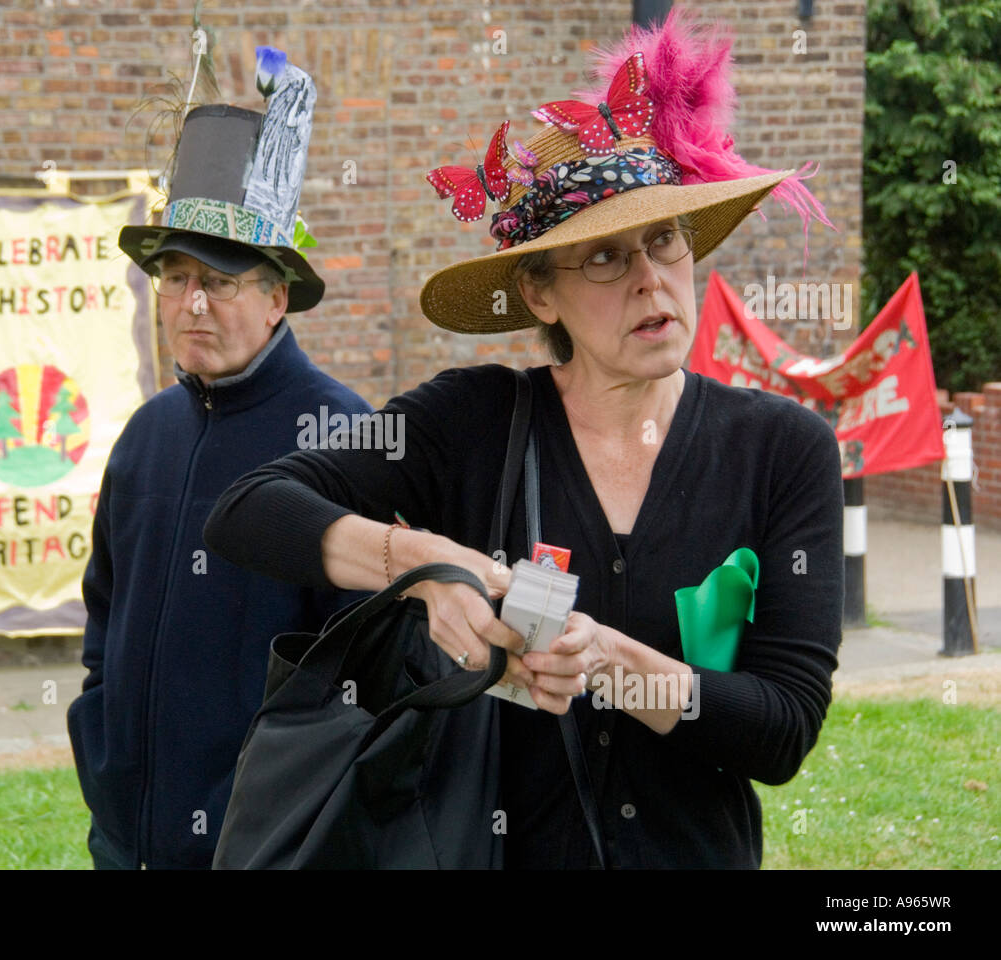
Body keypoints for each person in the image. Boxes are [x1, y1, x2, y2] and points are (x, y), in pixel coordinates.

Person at [204, 10, 843, 868]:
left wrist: (608, 662)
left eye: (663, 241)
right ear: (540, 295)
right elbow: (247, 511)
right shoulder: (471, 423)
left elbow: (782, 732)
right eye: (606, 259)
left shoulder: (783, 449)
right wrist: (426, 566)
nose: (651, 279)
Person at [67, 51, 371, 869]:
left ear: (278, 296)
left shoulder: (342, 435)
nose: (192, 302)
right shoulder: (147, 435)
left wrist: (286, 818)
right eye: (174, 275)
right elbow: (105, 617)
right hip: (128, 843)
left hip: (273, 846)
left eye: (222, 280)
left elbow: (365, 677)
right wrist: (101, 738)